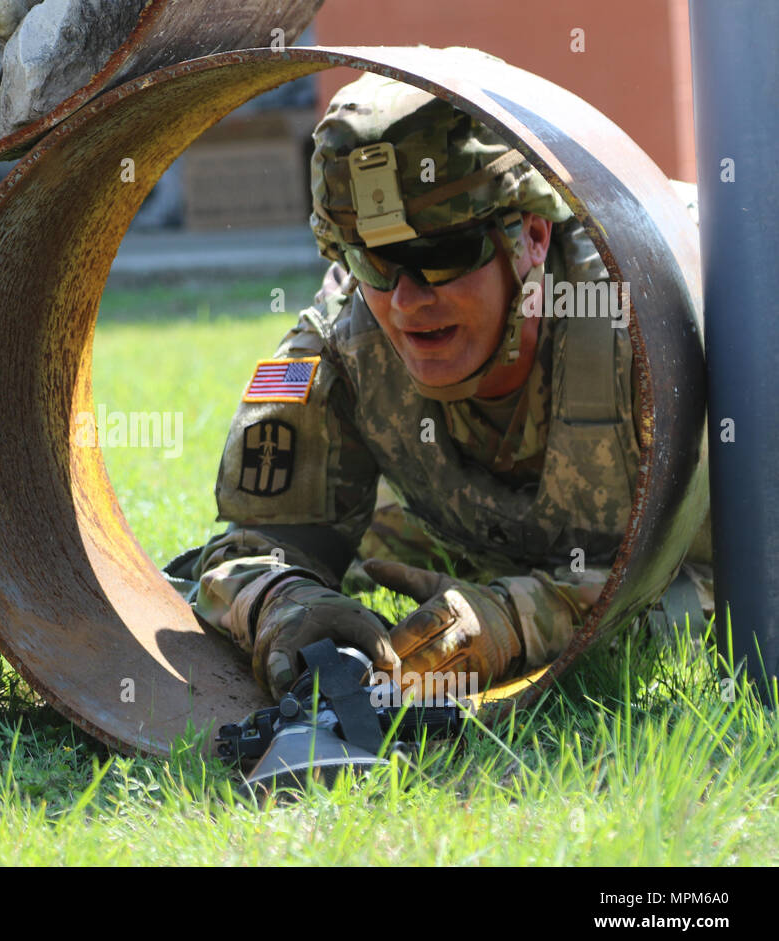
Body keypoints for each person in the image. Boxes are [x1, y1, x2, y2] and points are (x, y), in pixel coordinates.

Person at [165, 67, 713, 701]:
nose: (405, 300)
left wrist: (519, 624)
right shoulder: (345, 342)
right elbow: (254, 545)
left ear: (531, 237)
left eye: (441, 256)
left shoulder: (663, 319)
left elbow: (740, 571)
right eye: (370, 258)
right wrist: (285, 606)